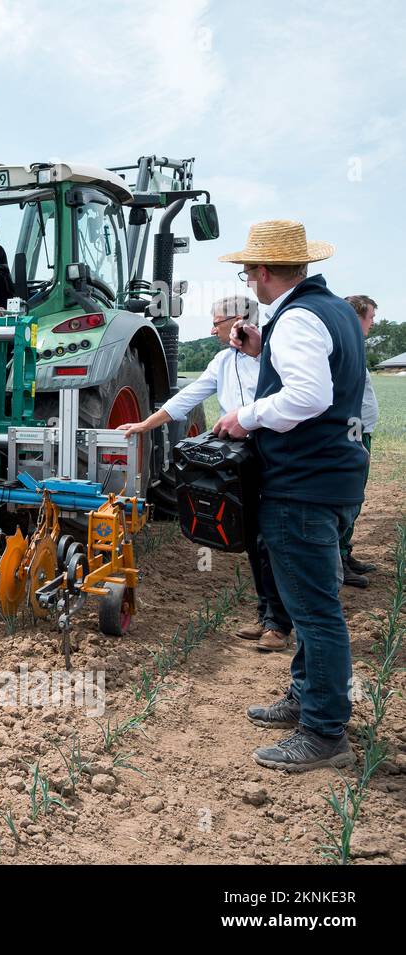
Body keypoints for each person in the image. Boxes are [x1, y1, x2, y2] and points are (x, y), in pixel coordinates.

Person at [214, 220, 365, 772]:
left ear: (261, 271)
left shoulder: (298, 317)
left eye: (247, 271)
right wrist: (262, 349)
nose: (247, 280)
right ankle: (307, 696)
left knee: (316, 611)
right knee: (310, 601)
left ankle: (324, 733)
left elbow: (308, 394)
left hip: (303, 482)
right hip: (334, 474)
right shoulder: (333, 311)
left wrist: (243, 417)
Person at [118, 296, 289, 650]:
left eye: (218, 322)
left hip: (277, 453)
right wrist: (146, 424)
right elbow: (188, 397)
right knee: (253, 538)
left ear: (241, 321)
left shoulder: (277, 355)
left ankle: (281, 625)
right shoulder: (223, 361)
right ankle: (268, 617)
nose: (213, 329)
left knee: (273, 540)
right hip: (242, 457)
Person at [339, 294, 379, 586]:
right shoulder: (344, 348)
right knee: (347, 499)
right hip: (353, 433)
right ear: (356, 317)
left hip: (361, 432)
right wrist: (356, 441)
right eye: (371, 318)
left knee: (354, 499)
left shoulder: (354, 347)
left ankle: (345, 553)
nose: (373, 324)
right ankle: (338, 561)